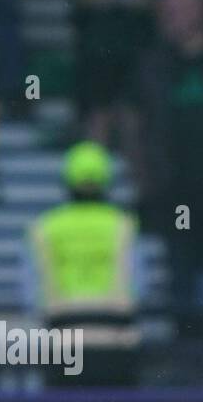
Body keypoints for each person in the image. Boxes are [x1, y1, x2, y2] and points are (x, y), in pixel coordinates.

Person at [21, 142, 143, 387]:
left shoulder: (44, 227)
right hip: (117, 347)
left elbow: (27, 293)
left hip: (61, 349)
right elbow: (141, 285)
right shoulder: (124, 226)